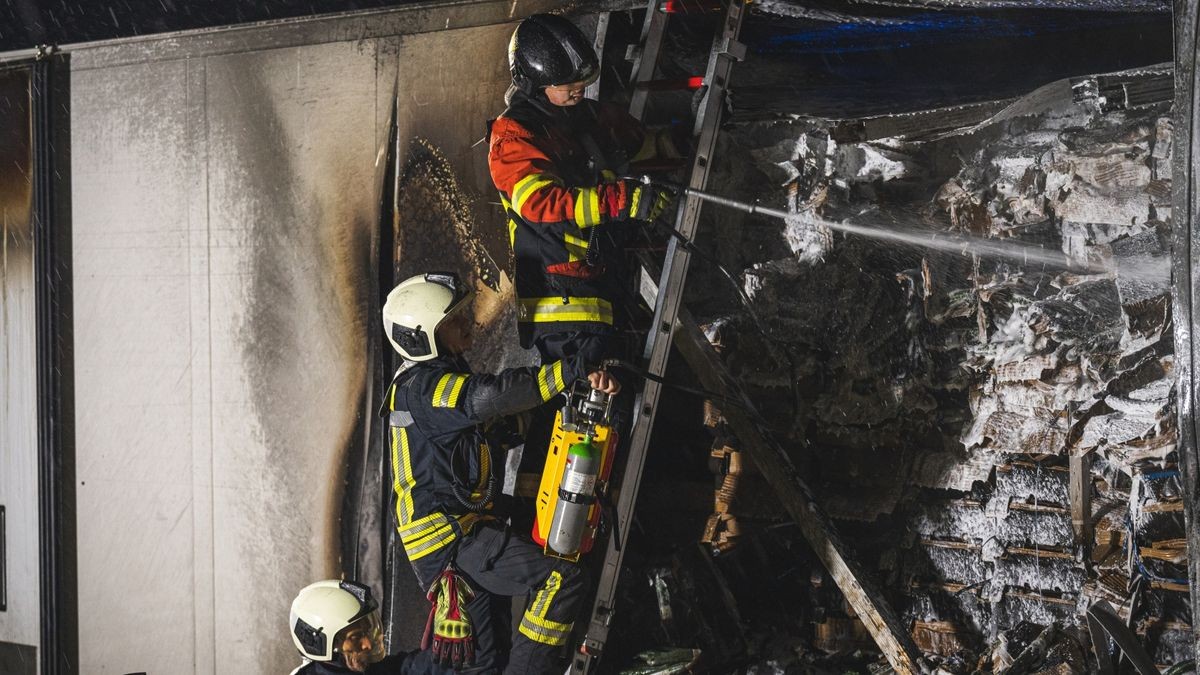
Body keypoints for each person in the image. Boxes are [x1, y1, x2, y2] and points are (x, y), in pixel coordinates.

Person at [380, 272, 620, 674]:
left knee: (485, 664)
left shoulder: (433, 385)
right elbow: (490, 398)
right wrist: (573, 369)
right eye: (453, 322)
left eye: (462, 314)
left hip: (454, 541)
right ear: (423, 338)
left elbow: (499, 428)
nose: (467, 324)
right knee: (559, 582)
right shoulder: (423, 389)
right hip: (451, 540)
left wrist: (559, 401)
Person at [488, 13, 679, 366]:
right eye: (566, 84)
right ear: (533, 83)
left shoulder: (583, 116)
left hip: (599, 284)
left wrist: (674, 142)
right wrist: (623, 200)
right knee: (586, 405)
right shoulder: (514, 136)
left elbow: (636, 142)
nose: (578, 88)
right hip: (559, 306)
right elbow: (542, 205)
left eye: (581, 80)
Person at [289, 579, 432, 674]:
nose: (367, 644)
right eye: (355, 637)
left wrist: (446, 657)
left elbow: (407, 668)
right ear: (322, 644)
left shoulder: (358, 666)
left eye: (367, 630)